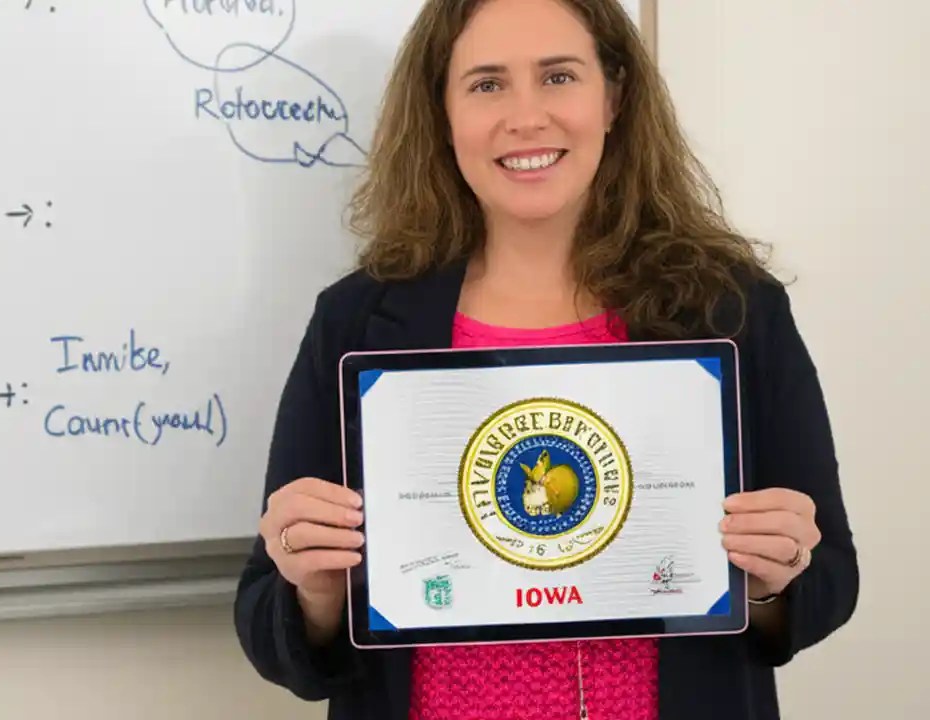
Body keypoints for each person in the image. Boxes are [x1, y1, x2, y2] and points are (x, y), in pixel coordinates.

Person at [233, 0, 860, 718]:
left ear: (614, 96)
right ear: (441, 111)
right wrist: (314, 590)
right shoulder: (356, 324)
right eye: (487, 84)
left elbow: (830, 581)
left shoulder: (735, 311)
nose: (525, 117)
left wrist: (769, 581)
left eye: (558, 76)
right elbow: (265, 619)